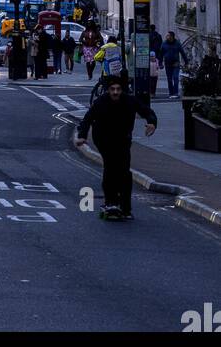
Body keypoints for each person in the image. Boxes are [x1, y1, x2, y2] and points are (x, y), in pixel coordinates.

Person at [75, 75, 157, 219]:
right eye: (112, 89)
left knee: (124, 171)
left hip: (122, 139)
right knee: (111, 166)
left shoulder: (130, 101)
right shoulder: (100, 102)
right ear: (107, 90)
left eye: (118, 89)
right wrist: (82, 135)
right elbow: (88, 118)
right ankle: (110, 202)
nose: (115, 92)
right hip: (103, 138)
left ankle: (125, 207)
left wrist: (152, 122)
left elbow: (147, 111)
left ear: (122, 90)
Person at [159, 31, 186, 97]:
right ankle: (171, 93)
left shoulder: (177, 43)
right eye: (167, 35)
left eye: (168, 35)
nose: (166, 37)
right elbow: (161, 54)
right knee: (169, 79)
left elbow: (182, 53)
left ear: (172, 37)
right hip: (167, 63)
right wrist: (160, 63)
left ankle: (175, 93)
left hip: (175, 63)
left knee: (175, 77)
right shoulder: (164, 44)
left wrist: (186, 62)